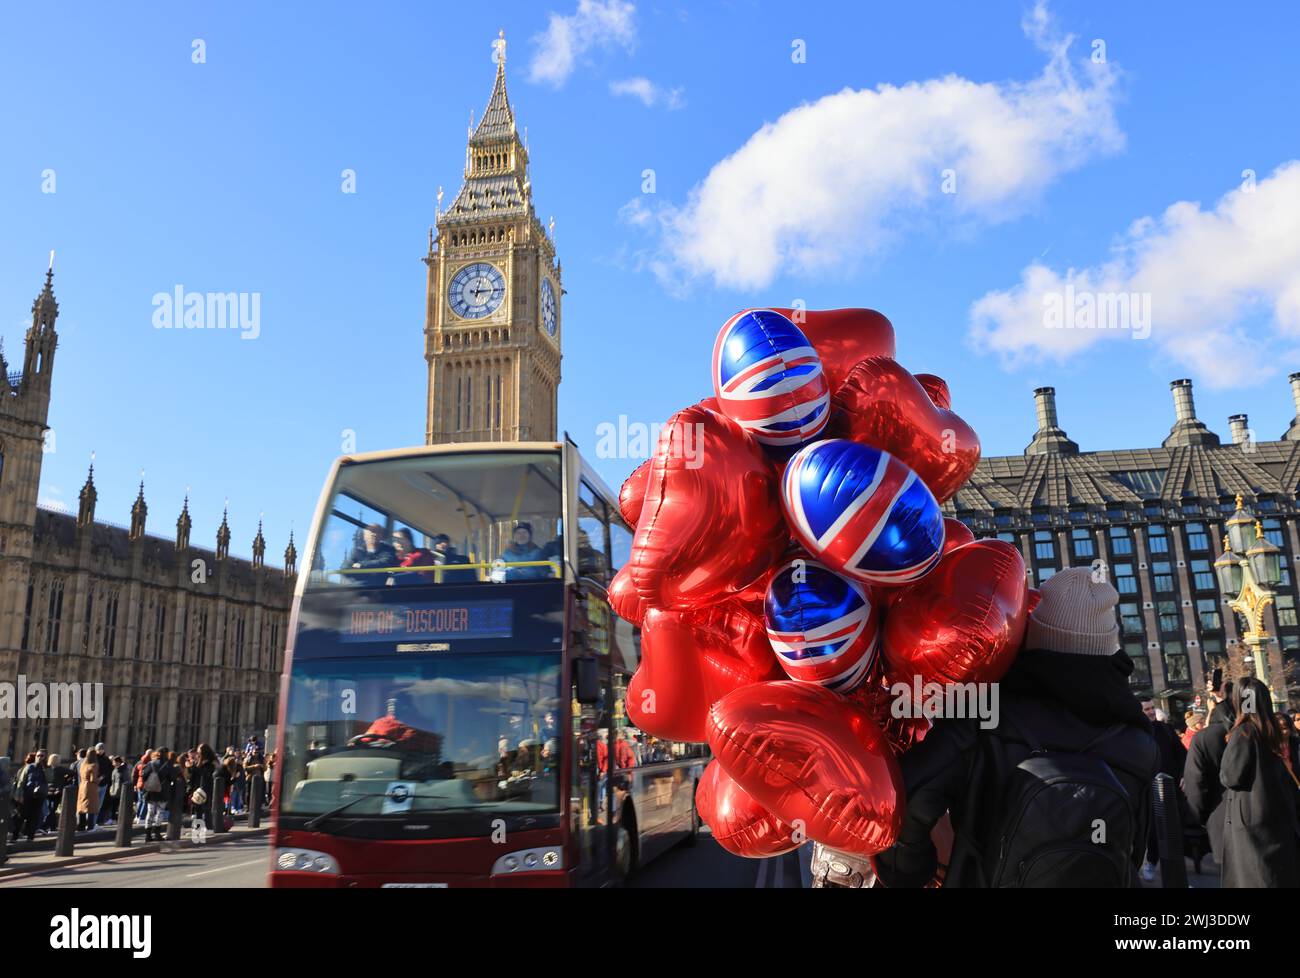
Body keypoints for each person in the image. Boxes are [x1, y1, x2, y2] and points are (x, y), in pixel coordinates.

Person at [874, 567, 1159, 887]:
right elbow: (1134, 846)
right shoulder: (1137, 738)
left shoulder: (984, 712)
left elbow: (911, 799)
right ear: (1109, 647)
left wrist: (909, 868)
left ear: (1034, 637)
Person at [1219, 677, 1300, 887]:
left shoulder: (1244, 732)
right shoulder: (1272, 728)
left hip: (1252, 818)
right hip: (1278, 815)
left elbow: (1230, 776)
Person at [1184, 677, 1237, 864]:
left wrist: (1195, 817)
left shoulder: (1203, 738)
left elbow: (1196, 782)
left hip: (1220, 815)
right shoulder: (1255, 732)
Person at [1140, 697, 1189, 881]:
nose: (1151, 712)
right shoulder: (1135, 733)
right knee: (1154, 832)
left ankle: (1179, 876)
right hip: (1149, 792)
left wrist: (1184, 774)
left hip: (1173, 789)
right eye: (1147, 709)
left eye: (1152, 708)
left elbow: (1182, 754)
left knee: (1177, 830)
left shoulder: (1166, 730)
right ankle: (1151, 862)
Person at [9, 752, 47, 843]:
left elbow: (49, 780)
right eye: (38, 755)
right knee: (21, 816)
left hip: (39, 797)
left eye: (42, 756)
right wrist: (19, 796)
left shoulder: (46, 769)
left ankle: (30, 836)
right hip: (27, 795)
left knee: (34, 817)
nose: (40, 758)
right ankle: (15, 836)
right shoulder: (30, 767)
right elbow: (21, 782)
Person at [140, 748, 176, 842]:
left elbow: (144, 776)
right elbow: (172, 777)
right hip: (163, 792)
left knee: (150, 812)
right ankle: (157, 834)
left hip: (151, 791)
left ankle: (148, 835)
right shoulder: (168, 765)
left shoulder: (151, 763)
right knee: (160, 812)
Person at [347, 523, 396, 587]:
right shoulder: (356, 551)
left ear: (382, 536)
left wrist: (361, 565)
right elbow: (346, 568)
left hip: (378, 588)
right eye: (371, 531)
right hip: (357, 586)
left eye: (378, 532)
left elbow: (385, 562)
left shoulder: (388, 549)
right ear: (364, 535)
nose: (374, 534)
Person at [76, 749, 98, 832]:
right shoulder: (94, 765)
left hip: (82, 785)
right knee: (91, 806)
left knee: (82, 806)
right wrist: (100, 779)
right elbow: (93, 779)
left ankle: (80, 826)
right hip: (90, 786)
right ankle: (90, 826)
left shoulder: (83, 764)